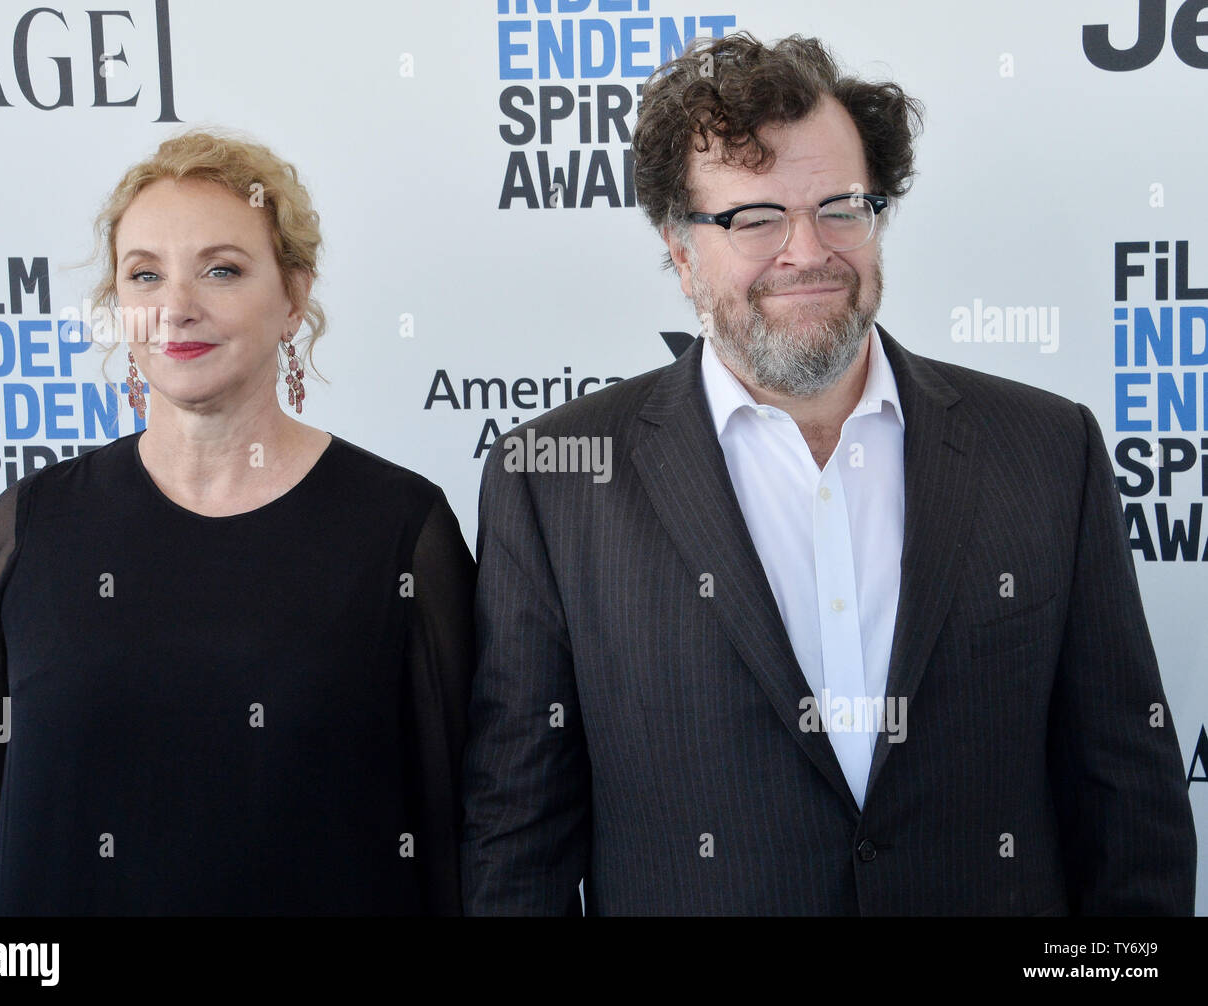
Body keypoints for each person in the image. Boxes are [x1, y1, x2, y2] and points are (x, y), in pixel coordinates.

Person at [460, 32, 1196, 915]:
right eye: (754, 217)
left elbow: (1130, 806)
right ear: (681, 249)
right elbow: (519, 838)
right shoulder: (555, 482)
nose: (807, 252)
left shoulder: (1046, 449)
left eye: (841, 207)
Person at [0, 129, 475, 915]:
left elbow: (464, 837)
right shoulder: (31, 527)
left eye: (221, 270)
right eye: (145, 275)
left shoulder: (399, 528)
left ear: (293, 295)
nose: (176, 308)